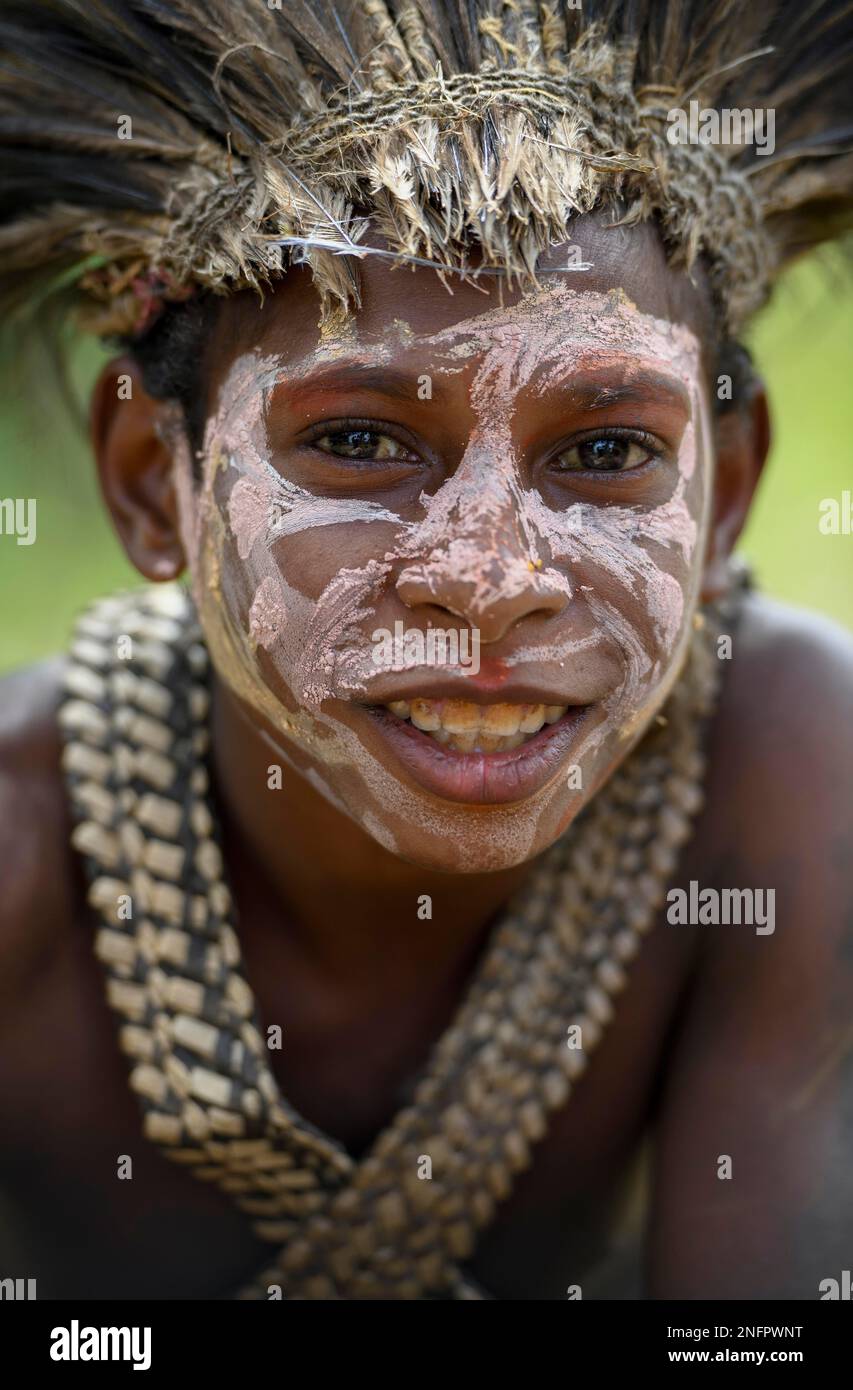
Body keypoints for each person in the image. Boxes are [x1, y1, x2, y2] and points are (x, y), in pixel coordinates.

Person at [0, 0, 851, 1301]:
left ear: (723, 496)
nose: (492, 581)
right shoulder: (26, 863)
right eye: (355, 442)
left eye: (606, 452)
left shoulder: (783, 775)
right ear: (146, 478)